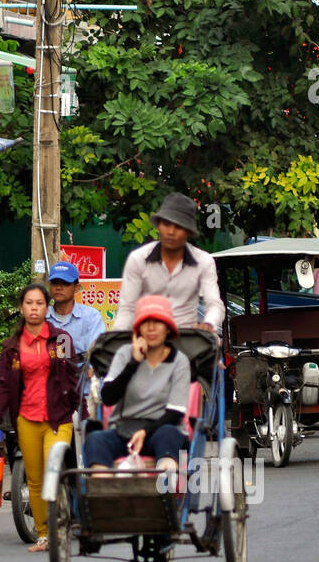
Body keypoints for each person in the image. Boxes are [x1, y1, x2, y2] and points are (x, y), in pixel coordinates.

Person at [0, 284, 79, 552]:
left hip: (58, 420)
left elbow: (72, 377)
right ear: (21, 307)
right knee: (35, 480)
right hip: (26, 419)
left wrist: (72, 405)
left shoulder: (60, 340)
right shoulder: (12, 348)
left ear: (47, 308)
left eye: (39, 303)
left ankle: (64, 518)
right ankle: (44, 534)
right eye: (29, 303)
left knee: (53, 467)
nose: (34, 308)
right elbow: (3, 386)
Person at [83, 296, 191, 478]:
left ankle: (165, 494)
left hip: (163, 429)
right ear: (138, 329)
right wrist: (133, 363)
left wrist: (144, 432)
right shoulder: (124, 354)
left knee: (168, 436)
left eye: (158, 322)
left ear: (168, 328)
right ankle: (103, 496)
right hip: (123, 431)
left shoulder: (179, 361)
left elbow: (175, 413)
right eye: (145, 322)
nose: (151, 328)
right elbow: (108, 397)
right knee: (95, 439)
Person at [113, 193, 224, 336]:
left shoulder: (204, 261)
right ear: (159, 226)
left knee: (213, 347)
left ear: (188, 231)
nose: (171, 232)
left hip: (188, 338)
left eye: (178, 226)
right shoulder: (138, 259)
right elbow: (127, 308)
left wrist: (209, 323)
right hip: (148, 339)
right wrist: (117, 340)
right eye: (166, 224)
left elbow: (215, 304)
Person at [46, 261, 107, 360]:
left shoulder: (91, 316)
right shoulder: (42, 317)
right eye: (55, 283)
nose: (58, 287)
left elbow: (98, 352)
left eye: (65, 283)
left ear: (77, 288)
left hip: (81, 372)